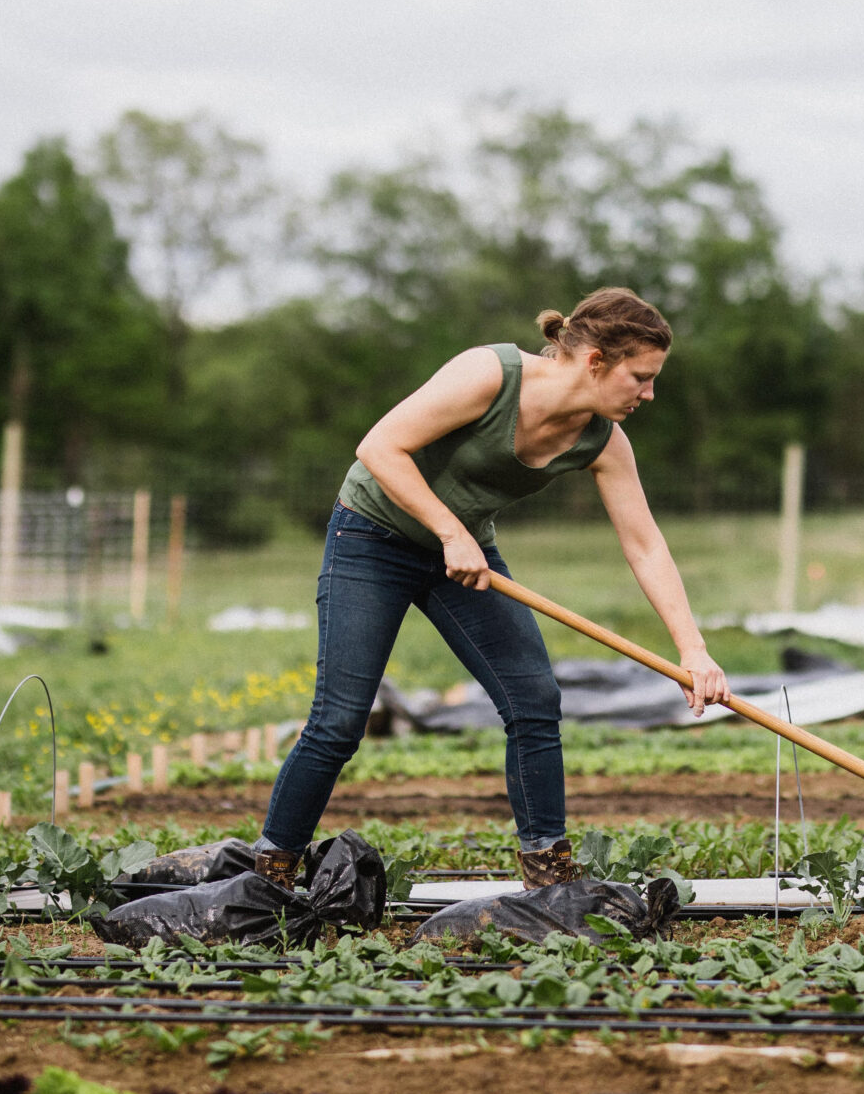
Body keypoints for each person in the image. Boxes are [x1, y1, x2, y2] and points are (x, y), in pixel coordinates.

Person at [256, 287, 732, 890]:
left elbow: (645, 545)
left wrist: (692, 648)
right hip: (372, 537)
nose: (649, 393)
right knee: (341, 720)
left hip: (464, 555)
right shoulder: (490, 374)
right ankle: (271, 871)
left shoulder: (604, 441)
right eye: (640, 377)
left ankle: (547, 870)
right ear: (595, 362)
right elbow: (379, 447)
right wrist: (450, 532)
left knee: (534, 700)